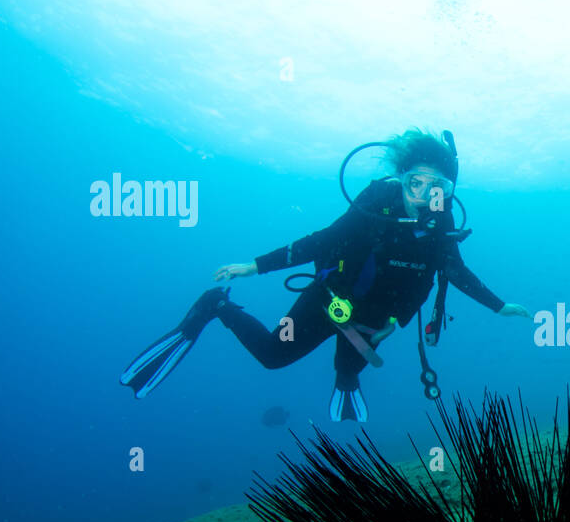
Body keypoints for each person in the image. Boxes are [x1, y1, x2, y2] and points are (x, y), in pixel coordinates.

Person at [121, 129, 531, 421]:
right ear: (401, 179)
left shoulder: (441, 223)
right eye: (415, 182)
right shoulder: (375, 204)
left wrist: (498, 307)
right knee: (272, 357)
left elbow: (453, 270)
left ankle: (346, 375)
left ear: (447, 189)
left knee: (351, 367)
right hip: (328, 299)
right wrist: (255, 266)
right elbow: (323, 241)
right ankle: (217, 307)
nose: (423, 194)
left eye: (435, 186)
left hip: (375, 320)